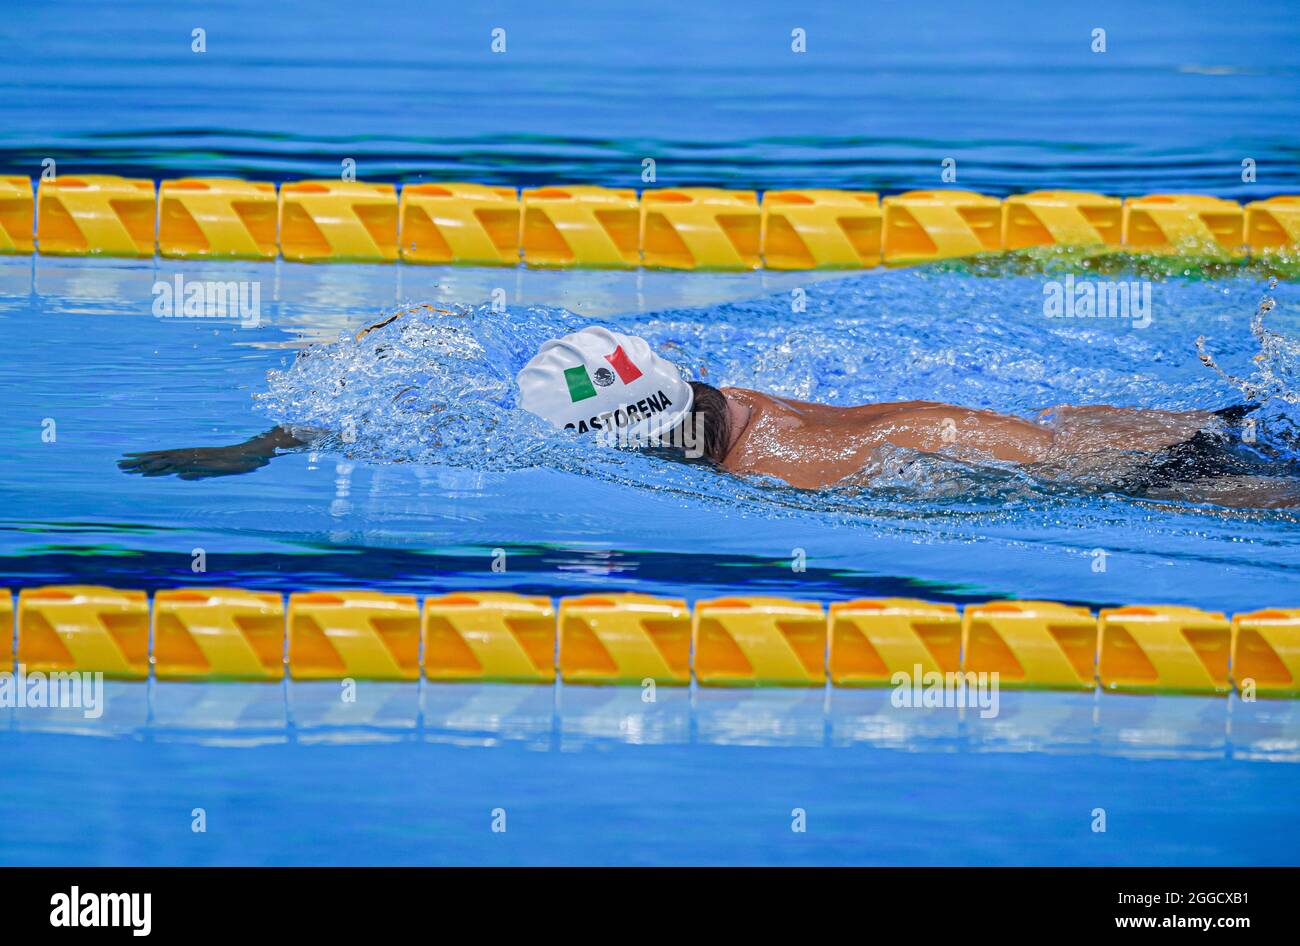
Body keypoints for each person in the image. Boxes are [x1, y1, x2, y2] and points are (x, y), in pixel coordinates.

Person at [120, 321, 1288, 505]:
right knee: (1087, 428)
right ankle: (1224, 423)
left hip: (945, 450)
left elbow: (1027, 458)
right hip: (964, 423)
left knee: (1180, 478)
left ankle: (1237, 451)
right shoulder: (717, 401)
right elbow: (445, 418)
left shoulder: (792, 454)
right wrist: (271, 442)